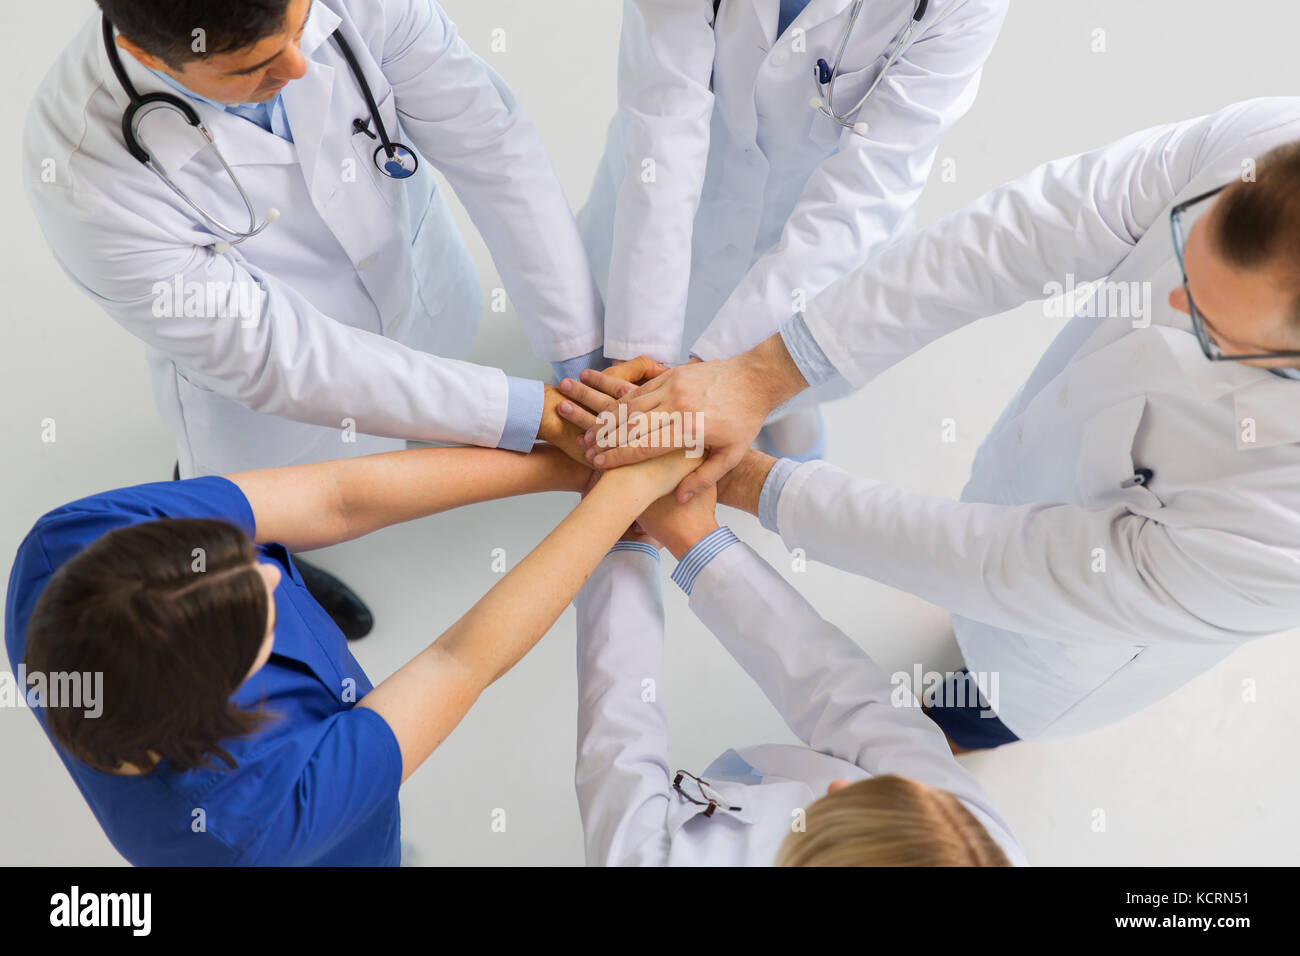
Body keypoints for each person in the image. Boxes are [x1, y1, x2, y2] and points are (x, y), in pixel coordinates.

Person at [561, 97, 1300, 746]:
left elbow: (1008, 563)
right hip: (1050, 462)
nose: (1170, 303)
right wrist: (763, 374)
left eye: (1210, 326)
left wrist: (753, 485)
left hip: (1074, 635)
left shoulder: (1280, 532)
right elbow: (1023, 232)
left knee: (973, 707)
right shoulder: (1270, 142)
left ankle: (959, 724)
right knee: (978, 541)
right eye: (1183, 248)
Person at [24, 0, 606, 637]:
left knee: (425, 386)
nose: (301, 66)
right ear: (146, 54)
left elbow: (493, 147)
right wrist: (535, 416)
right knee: (251, 511)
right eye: (255, 64)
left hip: (414, 280)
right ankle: (252, 559)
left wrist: (582, 367)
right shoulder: (86, 169)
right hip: (267, 395)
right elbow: (277, 356)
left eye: (302, 28)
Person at [6, 443, 699, 865]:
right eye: (259, 619)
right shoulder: (254, 823)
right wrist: (624, 494)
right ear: (219, 707)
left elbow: (332, 498)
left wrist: (570, 465)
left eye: (241, 559)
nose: (277, 572)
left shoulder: (67, 544)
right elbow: (460, 661)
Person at [579, 0, 1007, 458]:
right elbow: (664, 125)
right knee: (605, 343)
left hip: (825, 217)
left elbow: (864, 193)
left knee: (786, 366)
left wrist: (733, 381)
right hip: (684, 175)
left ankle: (779, 408)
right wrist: (640, 356)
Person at [572, 481, 1025, 865]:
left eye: (843, 810)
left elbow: (618, 743)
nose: (842, 783)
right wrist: (696, 541)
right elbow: (850, 701)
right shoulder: (973, 845)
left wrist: (622, 543)